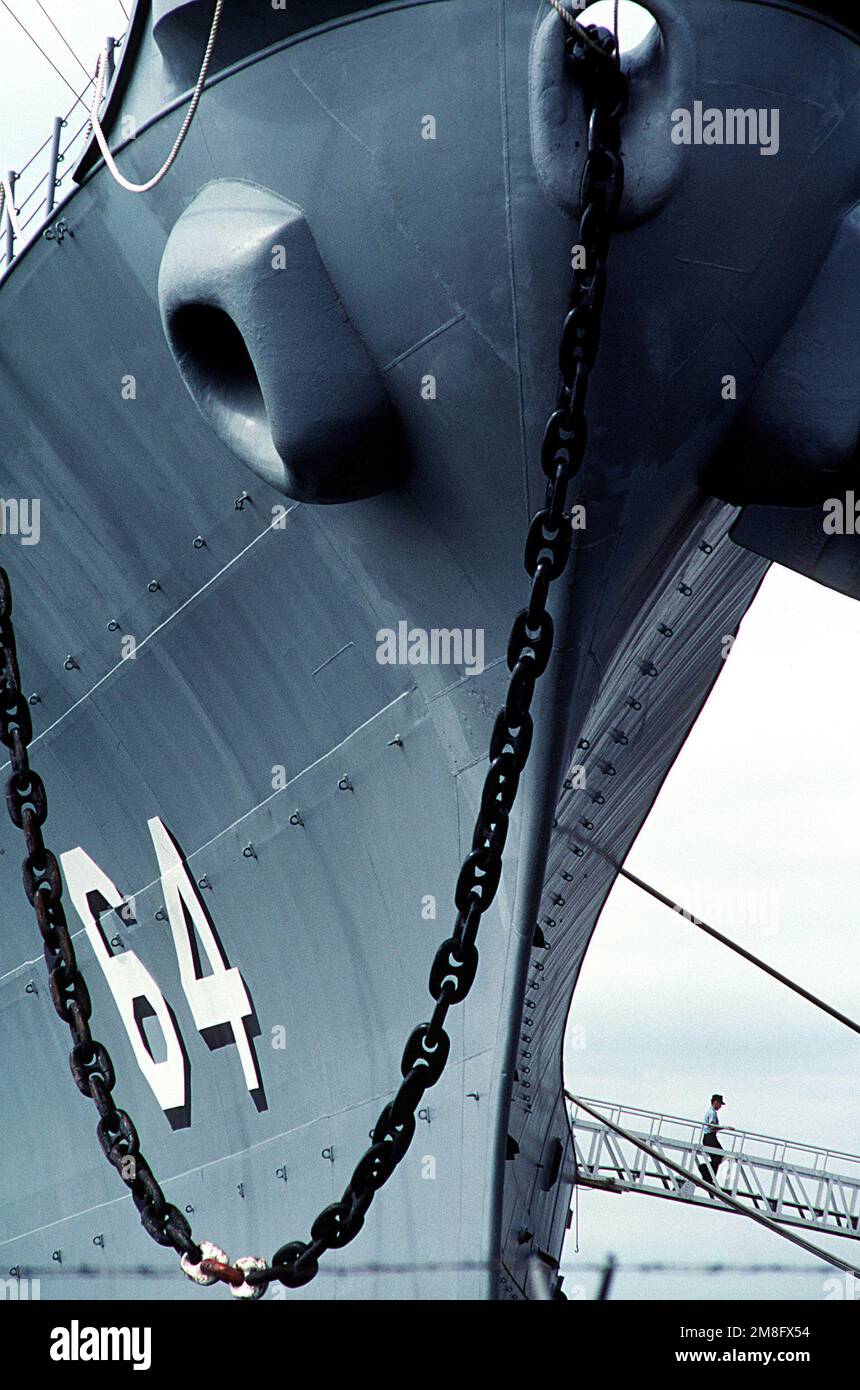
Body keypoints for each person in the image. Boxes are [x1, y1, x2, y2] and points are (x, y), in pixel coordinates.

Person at [698, 1094, 732, 1188]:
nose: (720, 1107)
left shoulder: (711, 1112)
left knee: (717, 1158)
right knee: (720, 1156)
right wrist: (726, 1127)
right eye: (720, 1104)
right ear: (715, 1102)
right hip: (710, 1138)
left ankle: (708, 1177)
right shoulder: (712, 1113)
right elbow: (712, 1126)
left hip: (709, 1137)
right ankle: (705, 1169)